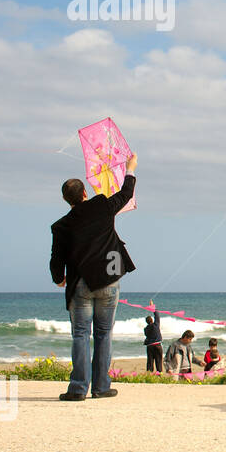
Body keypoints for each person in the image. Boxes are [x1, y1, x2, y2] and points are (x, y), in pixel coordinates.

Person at [49, 152, 139, 402]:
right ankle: (101, 387)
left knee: (80, 334)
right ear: (85, 193)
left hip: (80, 284)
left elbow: (56, 257)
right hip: (109, 279)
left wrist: (59, 278)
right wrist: (130, 168)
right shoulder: (101, 206)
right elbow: (125, 194)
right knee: (103, 333)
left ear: (67, 200)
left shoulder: (61, 226)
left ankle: (78, 389)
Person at [143, 307, 164, 373]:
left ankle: (149, 374)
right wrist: (153, 307)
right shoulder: (156, 325)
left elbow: (147, 335)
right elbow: (157, 315)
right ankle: (159, 374)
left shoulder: (146, 329)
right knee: (158, 361)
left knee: (150, 361)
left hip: (149, 346)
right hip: (157, 345)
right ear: (152, 320)